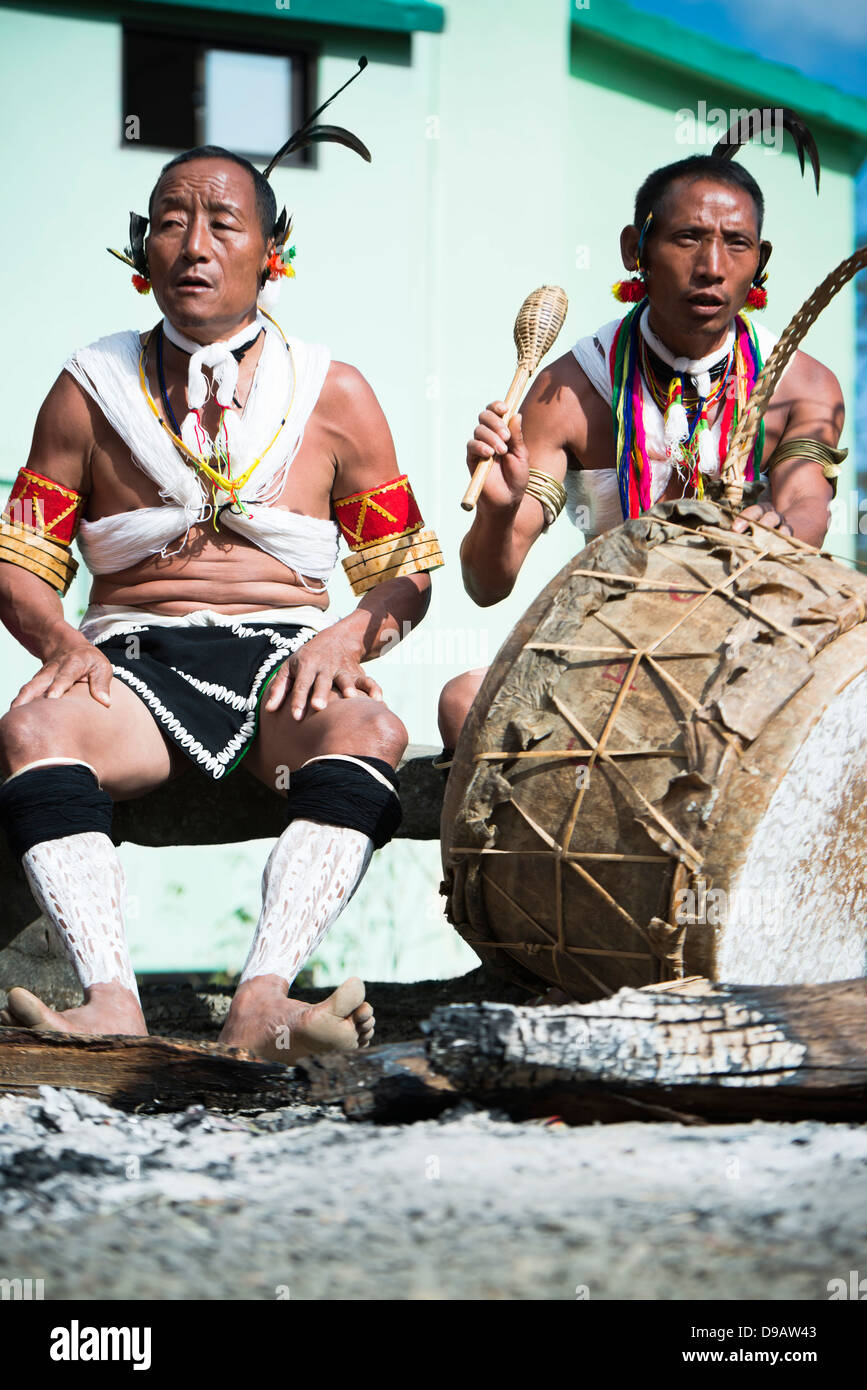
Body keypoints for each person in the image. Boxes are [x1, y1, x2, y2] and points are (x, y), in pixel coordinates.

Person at [0, 66, 442, 1062]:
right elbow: (22, 560)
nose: (194, 244)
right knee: (32, 722)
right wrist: (61, 637)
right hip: (132, 666)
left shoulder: (337, 393)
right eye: (170, 220)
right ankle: (110, 997)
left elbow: (405, 569)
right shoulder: (88, 389)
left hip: (288, 667)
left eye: (223, 223)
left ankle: (264, 996)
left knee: (372, 721)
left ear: (273, 251)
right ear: (139, 244)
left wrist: (350, 631)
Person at [438, 109, 846, 752]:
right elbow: (487, 586)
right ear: (636, 250)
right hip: (608, 646)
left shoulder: (801, 386)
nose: (712, 265)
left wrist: (773, 533)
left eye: (736, 243)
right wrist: (497, 509)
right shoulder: (569, 391)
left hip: (750, 640)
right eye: (687, 238)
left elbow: (807, 512)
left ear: (759, 261)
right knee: (466, 702)